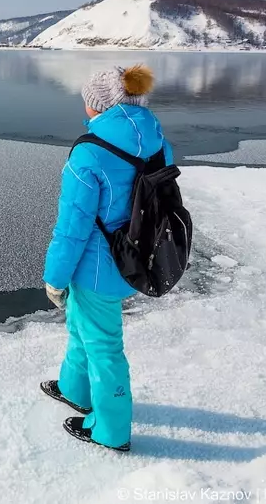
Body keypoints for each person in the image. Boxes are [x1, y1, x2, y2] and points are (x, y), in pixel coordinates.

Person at [39, 64, 172, 452]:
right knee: (84, 328)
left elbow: (72, 227)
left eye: (87, 99)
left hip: (96, 267)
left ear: (98, 104)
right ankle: (73, 388)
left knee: (103, 345)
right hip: (135, 255)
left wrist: (55, 277)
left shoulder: (89, 154)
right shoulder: (157, 142)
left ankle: (111, 431)